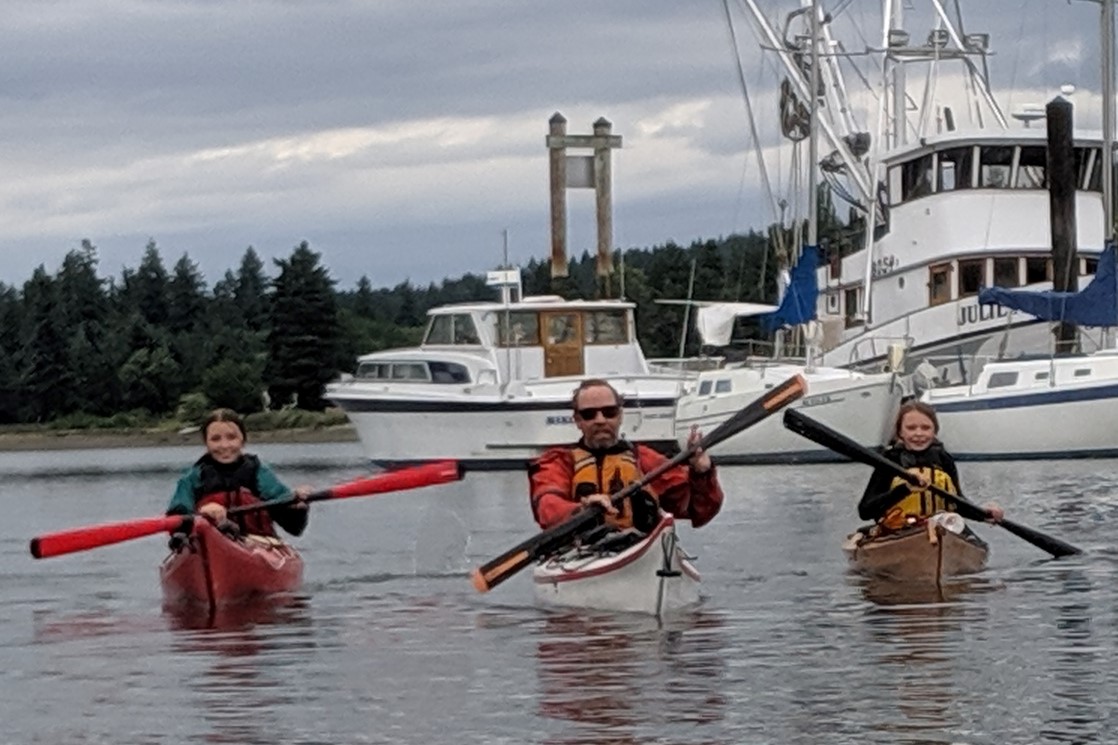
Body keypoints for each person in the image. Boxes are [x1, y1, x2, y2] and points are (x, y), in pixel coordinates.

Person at [529, 379, 724, 533]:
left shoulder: (646, 461)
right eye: (589, 414)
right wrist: (581, 510)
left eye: (609, 412)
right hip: (579, 551)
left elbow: (699, 511)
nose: (600, 420)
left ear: (620, 416)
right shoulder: (558, 463)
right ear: (578, 421)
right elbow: (547, 506)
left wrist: (702, 473)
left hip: (637, 546)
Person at [166, 408, 312, 542]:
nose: (224, 445)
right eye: (215, 439)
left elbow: (294, 527)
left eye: (231, 437)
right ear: (206, 443)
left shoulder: (258, 472)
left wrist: (297, 506)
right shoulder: (194, 477)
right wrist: (201, 513)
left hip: (256, 543)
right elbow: (177, 518)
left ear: (243, 440)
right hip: (206, 543)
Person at [859, 401, 1004, 531]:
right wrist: (905, 489)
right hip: (899, 529)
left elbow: (957, 503)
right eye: (911, 428)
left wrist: (983, 514)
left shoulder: (943, 459)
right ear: (900, 432)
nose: (919, 433)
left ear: (934, 431)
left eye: (926, 428)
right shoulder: (889, 461)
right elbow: (865, 511)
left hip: (942, 527)